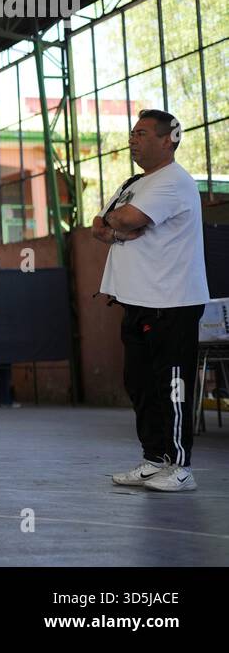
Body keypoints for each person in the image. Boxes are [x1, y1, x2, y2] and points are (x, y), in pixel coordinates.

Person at [97, 110, 209, 493]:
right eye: (132, 133)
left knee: (172, 386)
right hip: (136, 301)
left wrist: (122, 223)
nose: (133, 140)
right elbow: (102, 225)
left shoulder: (173, 182)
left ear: (168, 140)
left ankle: (180, 466)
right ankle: (154, 459)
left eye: (142, 133)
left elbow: (125, 219)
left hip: (171, 302)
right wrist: (120, 224)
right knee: (140, 384)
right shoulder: (134, 182)